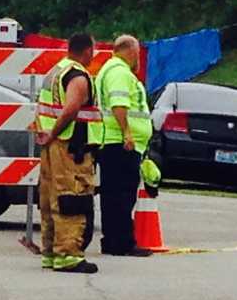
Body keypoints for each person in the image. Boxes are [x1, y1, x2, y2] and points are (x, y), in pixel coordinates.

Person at [35, 33, 104, 274]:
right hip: (71, 148)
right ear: (87, 51)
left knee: (50, 199)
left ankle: (51, 253)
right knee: (72, 198)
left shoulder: (56, 72)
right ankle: (68, 255)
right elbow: (71, 108)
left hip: (52, 147)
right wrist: (54, 133)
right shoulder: (77, 76)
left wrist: (47, 135)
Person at [94, 34, 154, 257]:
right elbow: (119, 104)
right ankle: (122, 242)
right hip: (121, 143)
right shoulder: (119, 72)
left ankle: (112, 241)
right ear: (131, 51)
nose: (138, 58)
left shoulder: (110, 70)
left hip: (114, 142)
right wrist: (127, 133)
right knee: (122, 195)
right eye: (137, 53)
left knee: (113, 194)